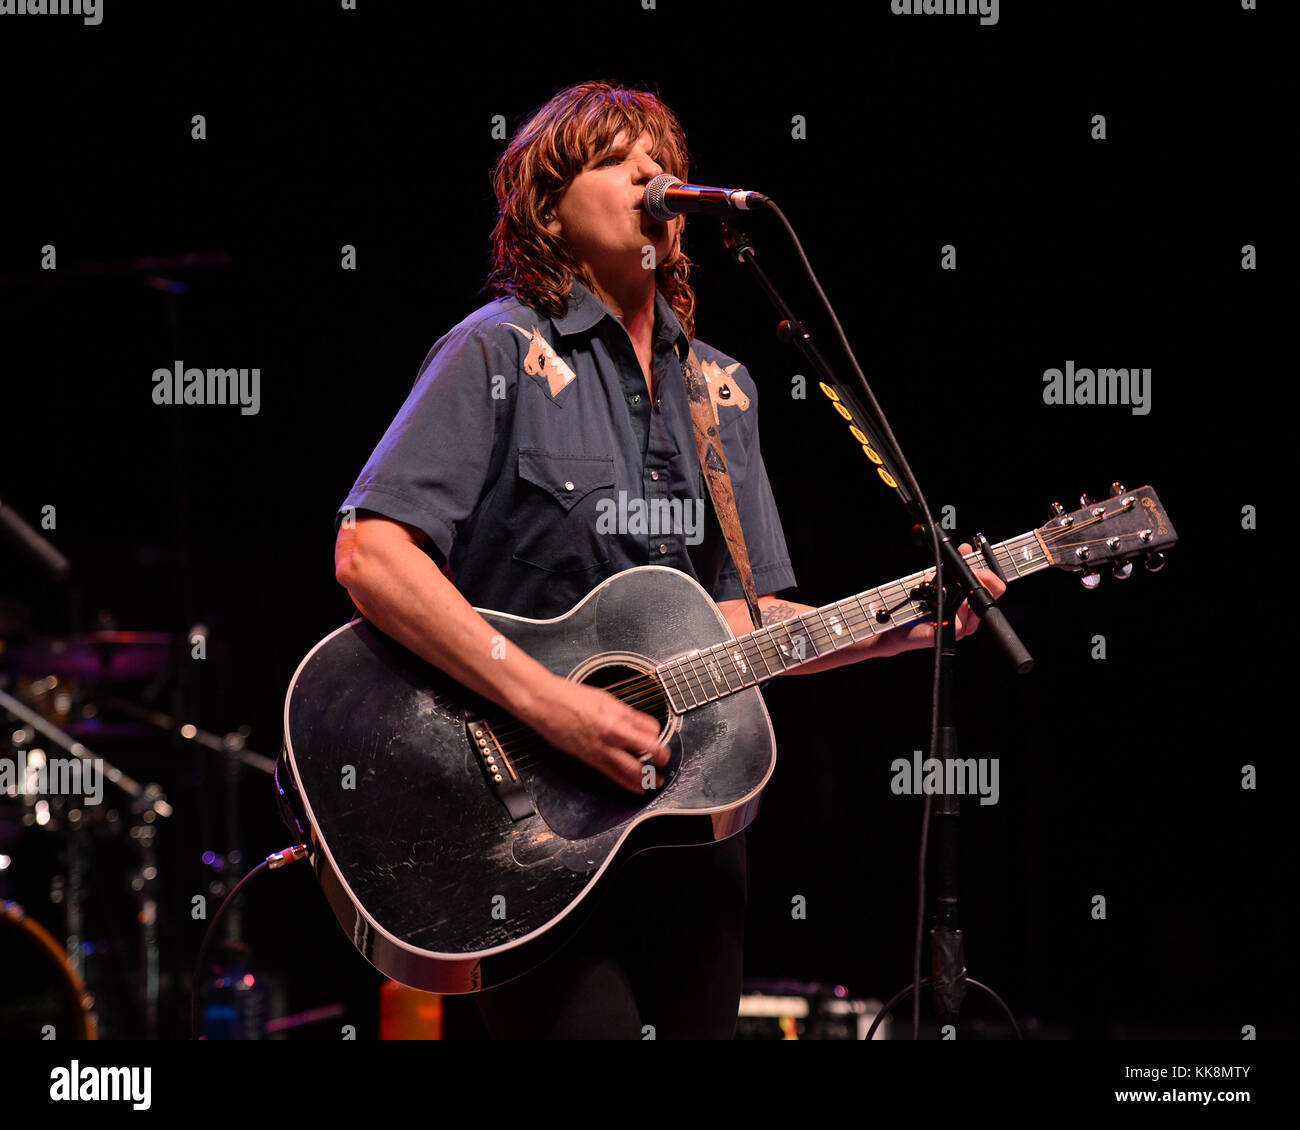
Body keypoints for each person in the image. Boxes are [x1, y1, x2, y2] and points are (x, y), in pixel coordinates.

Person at [332, 80, 1006, 1039]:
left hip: (687, 819)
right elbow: (372, 553)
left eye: (663, 158)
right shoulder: (496, 353)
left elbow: (741, 627)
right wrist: (556, 707)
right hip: (524, 825)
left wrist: (899, 628)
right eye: (616, 158)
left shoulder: (722, 389)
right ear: (548, 211)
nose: (652, 173)